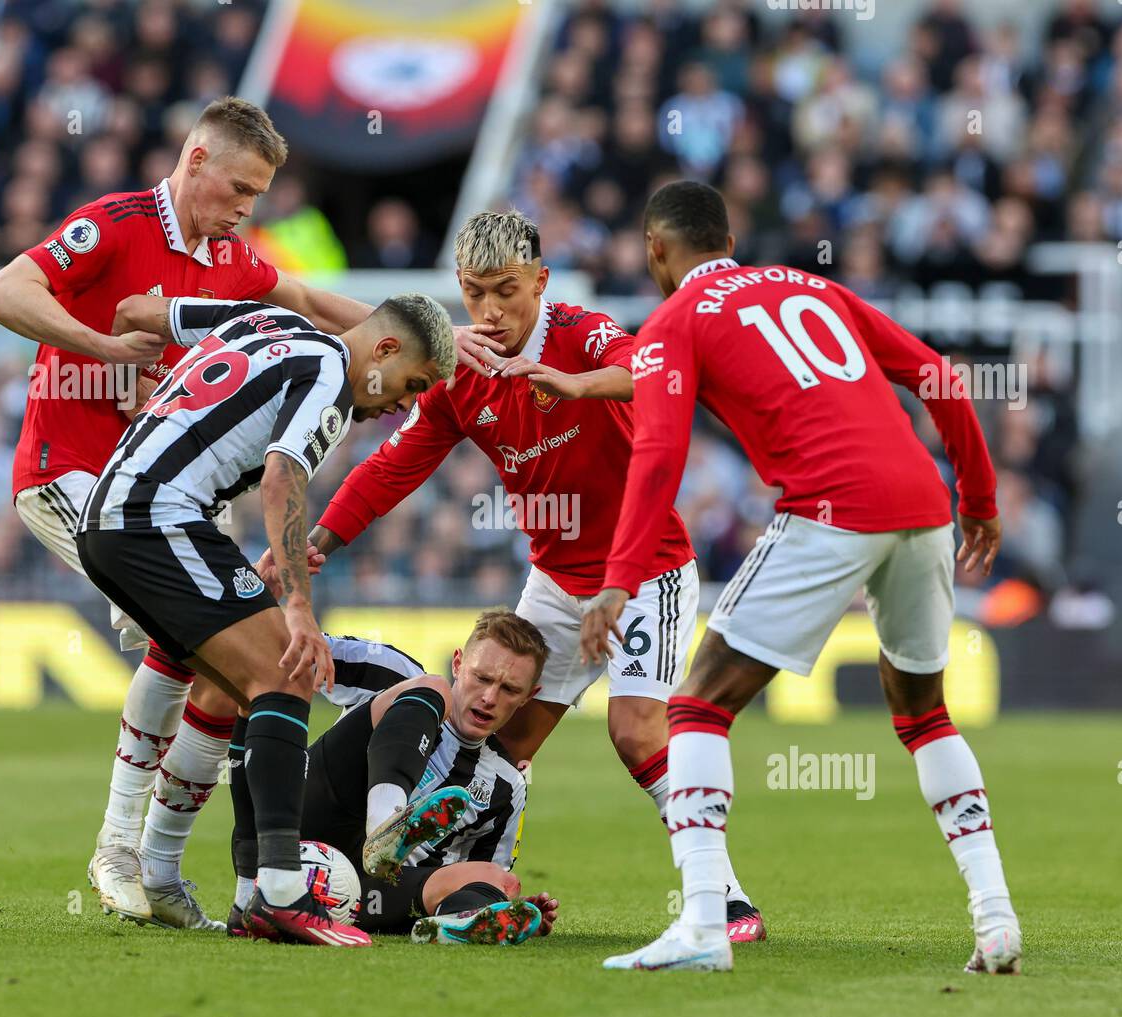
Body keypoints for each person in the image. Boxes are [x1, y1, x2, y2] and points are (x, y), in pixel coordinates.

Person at [582, 180, 1021, 975]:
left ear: (655, 248)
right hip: (925, 505)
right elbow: (942, 379)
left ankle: (704, 925)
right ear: (727, 235)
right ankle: (994, 917)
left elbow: (657, 455)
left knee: (696, 707)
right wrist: (979, 500)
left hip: (829, 508)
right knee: (924, 714)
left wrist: (618, 578)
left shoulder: (675, 318)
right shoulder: (811, 283)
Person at [306, 209, 766, 943]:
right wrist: (318, 539)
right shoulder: (462, 373)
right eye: (475, 293)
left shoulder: (582, 335)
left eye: (507, 292)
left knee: (635, 731)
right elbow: (397, 463)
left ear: (541, 283)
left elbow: (655, 374)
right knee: (496, 745)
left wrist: (578, 385)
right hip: (554, 583)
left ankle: (726, 901)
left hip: (644, 567)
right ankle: (453, 888)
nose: (490, 312)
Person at [0, 97, 379, 929]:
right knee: (194, 642)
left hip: (178, 495)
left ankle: (158, 863)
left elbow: (304, 297)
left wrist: (418, 335)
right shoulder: (114, 224)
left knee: (233, 668)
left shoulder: (231, 256)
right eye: (237, 187)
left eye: (258, 195)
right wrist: (105, 348)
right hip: (76, 478)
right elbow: (1, 291)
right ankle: (121, 848)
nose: (245, 208)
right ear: (194, 161)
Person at [76, 290, 457, 946]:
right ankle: (276, 891)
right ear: (385, 349)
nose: (402, 404)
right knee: (288, 666)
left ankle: (199, 879)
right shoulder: (332, 374)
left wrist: (128, 366)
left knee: (225, 686)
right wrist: (301, 607)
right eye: (410, 385)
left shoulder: (270, 321)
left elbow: (140, 311)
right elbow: (283, 473)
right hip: (153, 519)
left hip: (122, 509)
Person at [227, 615, 561, 945]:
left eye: (509, 689)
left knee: (502, 880)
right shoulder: (396, 672)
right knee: (430, 687)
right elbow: (279, 650)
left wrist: (498, 905)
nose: (489, 697)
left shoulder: (506, 784)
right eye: (482, 677)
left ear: (528, 696)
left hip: (370, 893)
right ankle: (385, 822)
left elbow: (483, 875)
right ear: (458, 663)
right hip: (299, 832)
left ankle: (451, 927)